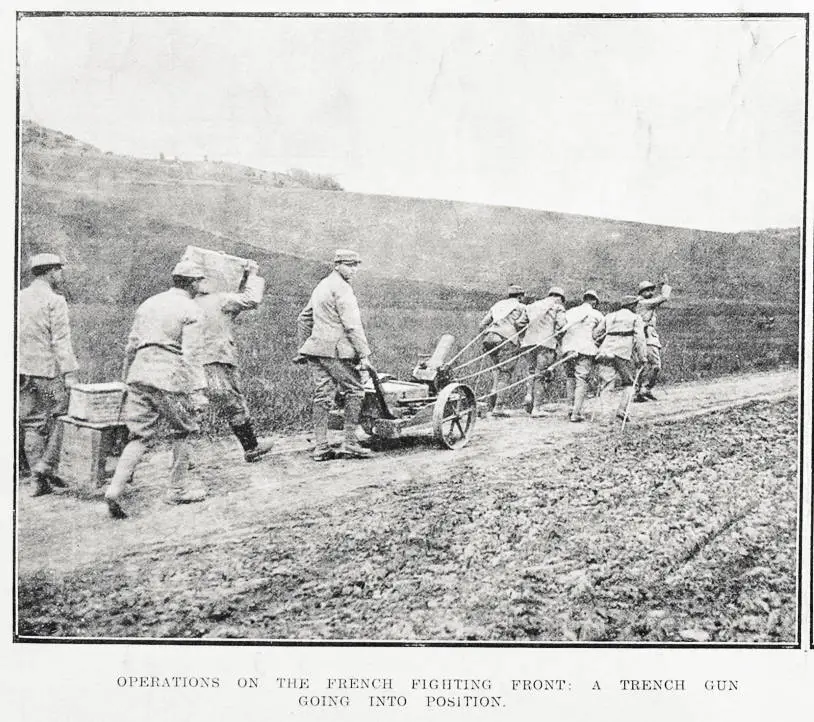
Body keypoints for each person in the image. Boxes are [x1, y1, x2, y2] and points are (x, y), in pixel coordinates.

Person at [103, 259, 209, 519]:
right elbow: (192, 354)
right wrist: (198, 390)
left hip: (139, 372)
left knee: (139, 436)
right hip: (170, 376)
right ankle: (178, 488)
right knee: (184, 431)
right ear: (193, 282)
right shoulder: (191, 308)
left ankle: (115, 489)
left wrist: (126, 379)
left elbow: (130, 345)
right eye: (199, 282)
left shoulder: (149, 303)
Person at [297, 249, 375, 461]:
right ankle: (350, 442)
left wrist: (303, 347)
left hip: (315, 350)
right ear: (337, 265)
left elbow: (303, 318)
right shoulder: (343, 289)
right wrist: (364, 355)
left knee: (323, 396)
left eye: (356, 265)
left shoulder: (321, 286)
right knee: (356, 390)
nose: (354, 270)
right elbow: (352, 326)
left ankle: (321, 448)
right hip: (336, 352)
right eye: (350, 265)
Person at [195, 259, 273, 462]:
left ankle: (184, 457)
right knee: (232, 404)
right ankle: (251, 447)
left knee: (191, 407)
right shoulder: (219, 299)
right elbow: (251, 299)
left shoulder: (192, 301)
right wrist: (253, 275)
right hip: (215, 360)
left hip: (194, 360)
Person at [18, 253, 79, 497]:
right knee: (62, 416)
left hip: (22, 371)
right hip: (47, 372)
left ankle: (38, 479)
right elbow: (61, 341)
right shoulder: (55, 301)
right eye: (59, 271)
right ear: (51, 271)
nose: (60, 275)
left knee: (32, 423)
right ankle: (47, 468)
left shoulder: (18, 298)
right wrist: (70, 373)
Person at [592, 295, 646, 423]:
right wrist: (642, 357)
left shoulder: (609, 316)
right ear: (632, 305)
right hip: (622, 353)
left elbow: (595, 334)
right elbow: (640, 339)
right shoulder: (636, 318)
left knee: (606, 384)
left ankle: (605, 415)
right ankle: (622, 411)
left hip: (605, 351)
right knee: (629, 383)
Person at [478, 284, 528, 416]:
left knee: (497, 369)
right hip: (507, 339)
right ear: (520, 296)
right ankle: (498, 407)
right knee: (505, 373)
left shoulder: (498, 305)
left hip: (489, 338)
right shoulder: (521, 307)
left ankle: (493, 400)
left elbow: (482, 324)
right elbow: (521, 324)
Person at [521, 286, 566, 417]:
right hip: (546, 343)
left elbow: (520, 323)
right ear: (560, 298)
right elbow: (561, 326)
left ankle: (529, 396)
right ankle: (537, 408)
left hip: (528, 343)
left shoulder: (532, 306)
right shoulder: (558, 307)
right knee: (540, 375)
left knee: (530, 372)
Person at [561, 289, 604, 422]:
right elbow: (600, 332)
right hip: (585, 349)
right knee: (581, 379)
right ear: (594, 301)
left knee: (570, 378)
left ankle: (570, 408)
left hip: (568, 348)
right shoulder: (597, 314)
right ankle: (576, 412)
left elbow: (561, 327)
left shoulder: (570, 311)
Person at [634, 278, 672, 402]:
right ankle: (644, 389)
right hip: (647, 338)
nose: (650, 293)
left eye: (651, 290)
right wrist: (665, 285)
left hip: (645, 336)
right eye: (647, 291)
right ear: (641, 292)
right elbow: (663, 297)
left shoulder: (642, 303)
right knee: (656, 365)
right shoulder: (644, 303)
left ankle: (642, 390)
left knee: (644, 365)